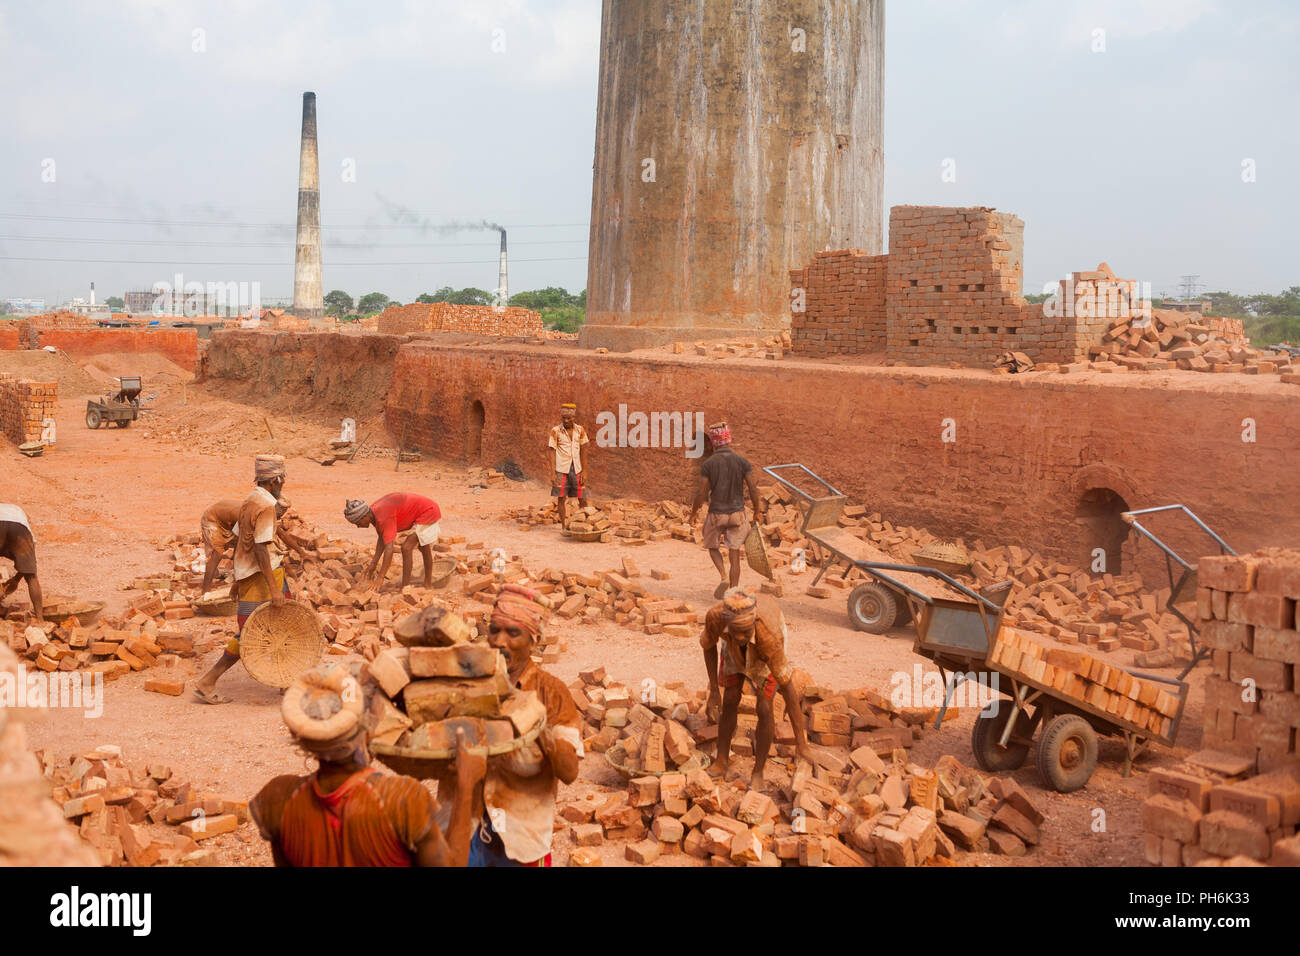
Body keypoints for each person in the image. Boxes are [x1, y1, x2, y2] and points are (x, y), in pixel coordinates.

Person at [250, 662, 485, 866]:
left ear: (305, 741)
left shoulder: (277, 798)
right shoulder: (402, 799)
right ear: (367, 729)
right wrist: (465, 787)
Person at [470, 583, 583, 866]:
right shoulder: (473, 682)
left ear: (533, 641)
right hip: (470, 828)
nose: (499, 641)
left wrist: (539, 731)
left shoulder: (551, 693)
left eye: (513, 633)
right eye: (494, 630)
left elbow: (569, 772)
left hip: (522, 838)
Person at [193, 455, 290, 704]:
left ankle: (284, 679)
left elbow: (239, 541)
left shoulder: (250, 500)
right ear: (275, 480)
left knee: (282, 623)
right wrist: (273, 589)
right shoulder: (267, 506)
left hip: (250, 575)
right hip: (263, 577)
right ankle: (208, 681)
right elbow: (259, 548)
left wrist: (237, 578)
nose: (284, 483)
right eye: (283, 479)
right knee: (250, 632)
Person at [701, 588, 814, 790]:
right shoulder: (716, 618)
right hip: (732, 648)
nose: (741, 636)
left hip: (762, 652)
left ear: (753, 624)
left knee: (764, 706)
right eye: (736, 631)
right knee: (730, 698)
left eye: (745, 631)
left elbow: (788, 688)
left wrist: (801, 743)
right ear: (728, 624)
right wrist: (714, 693)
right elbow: (708, 647)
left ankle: (758, 771)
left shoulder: (769, 637)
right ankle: (721, 761)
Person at [689, 420, 762, 599]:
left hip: (717, 513)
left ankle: (723, 576)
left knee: (711, 545)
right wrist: (758, 511)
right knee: (734, 553)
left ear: (714, 443)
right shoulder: (742, 462)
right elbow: (753, 488)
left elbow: (701, 492)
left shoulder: (708, 464)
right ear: (728, 439)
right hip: (737, 513)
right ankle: (733, 592)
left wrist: (694, 512)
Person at [201, 497, 305, 594]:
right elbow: (240, 546)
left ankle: (216, 574)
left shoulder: (266, 513)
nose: (279, 517)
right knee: (217, 553)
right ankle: (205, 592)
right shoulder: (254, 515)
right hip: (213, 518)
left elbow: (281, 534)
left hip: (231, 521)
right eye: (279, 514)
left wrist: (301, 552)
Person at [343, 493, 442, 589]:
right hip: (421, 510)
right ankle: (427, 584)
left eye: (357, 522)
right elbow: (382, 538)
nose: (358, 526)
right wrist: (373, 564)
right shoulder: (373, 513)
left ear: (364, 516)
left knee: (406, 547)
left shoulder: (383, 516)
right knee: (423, 546)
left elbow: (389, 549)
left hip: (428, 511)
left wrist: (380, 577)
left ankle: (406, 588)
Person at [548, 402, 590, 528]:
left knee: (582, 497)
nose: (566, 420)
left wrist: (585, 471)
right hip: (561, 469)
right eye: (563, 418)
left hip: (576, 468)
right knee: (561, 498)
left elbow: (583, 450)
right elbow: (552, 452)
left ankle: (585, 524)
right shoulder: (555, 431)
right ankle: (564, 526)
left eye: (569, 418)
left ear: (574, 418)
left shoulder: (580, 430)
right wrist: (552, 473)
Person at [0, 504, 43, 623]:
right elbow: (29, 564)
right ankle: (40, 620)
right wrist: (16, 579)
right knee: (32, 577)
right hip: (19, 528)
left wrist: (15, 580)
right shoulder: (20, 516)